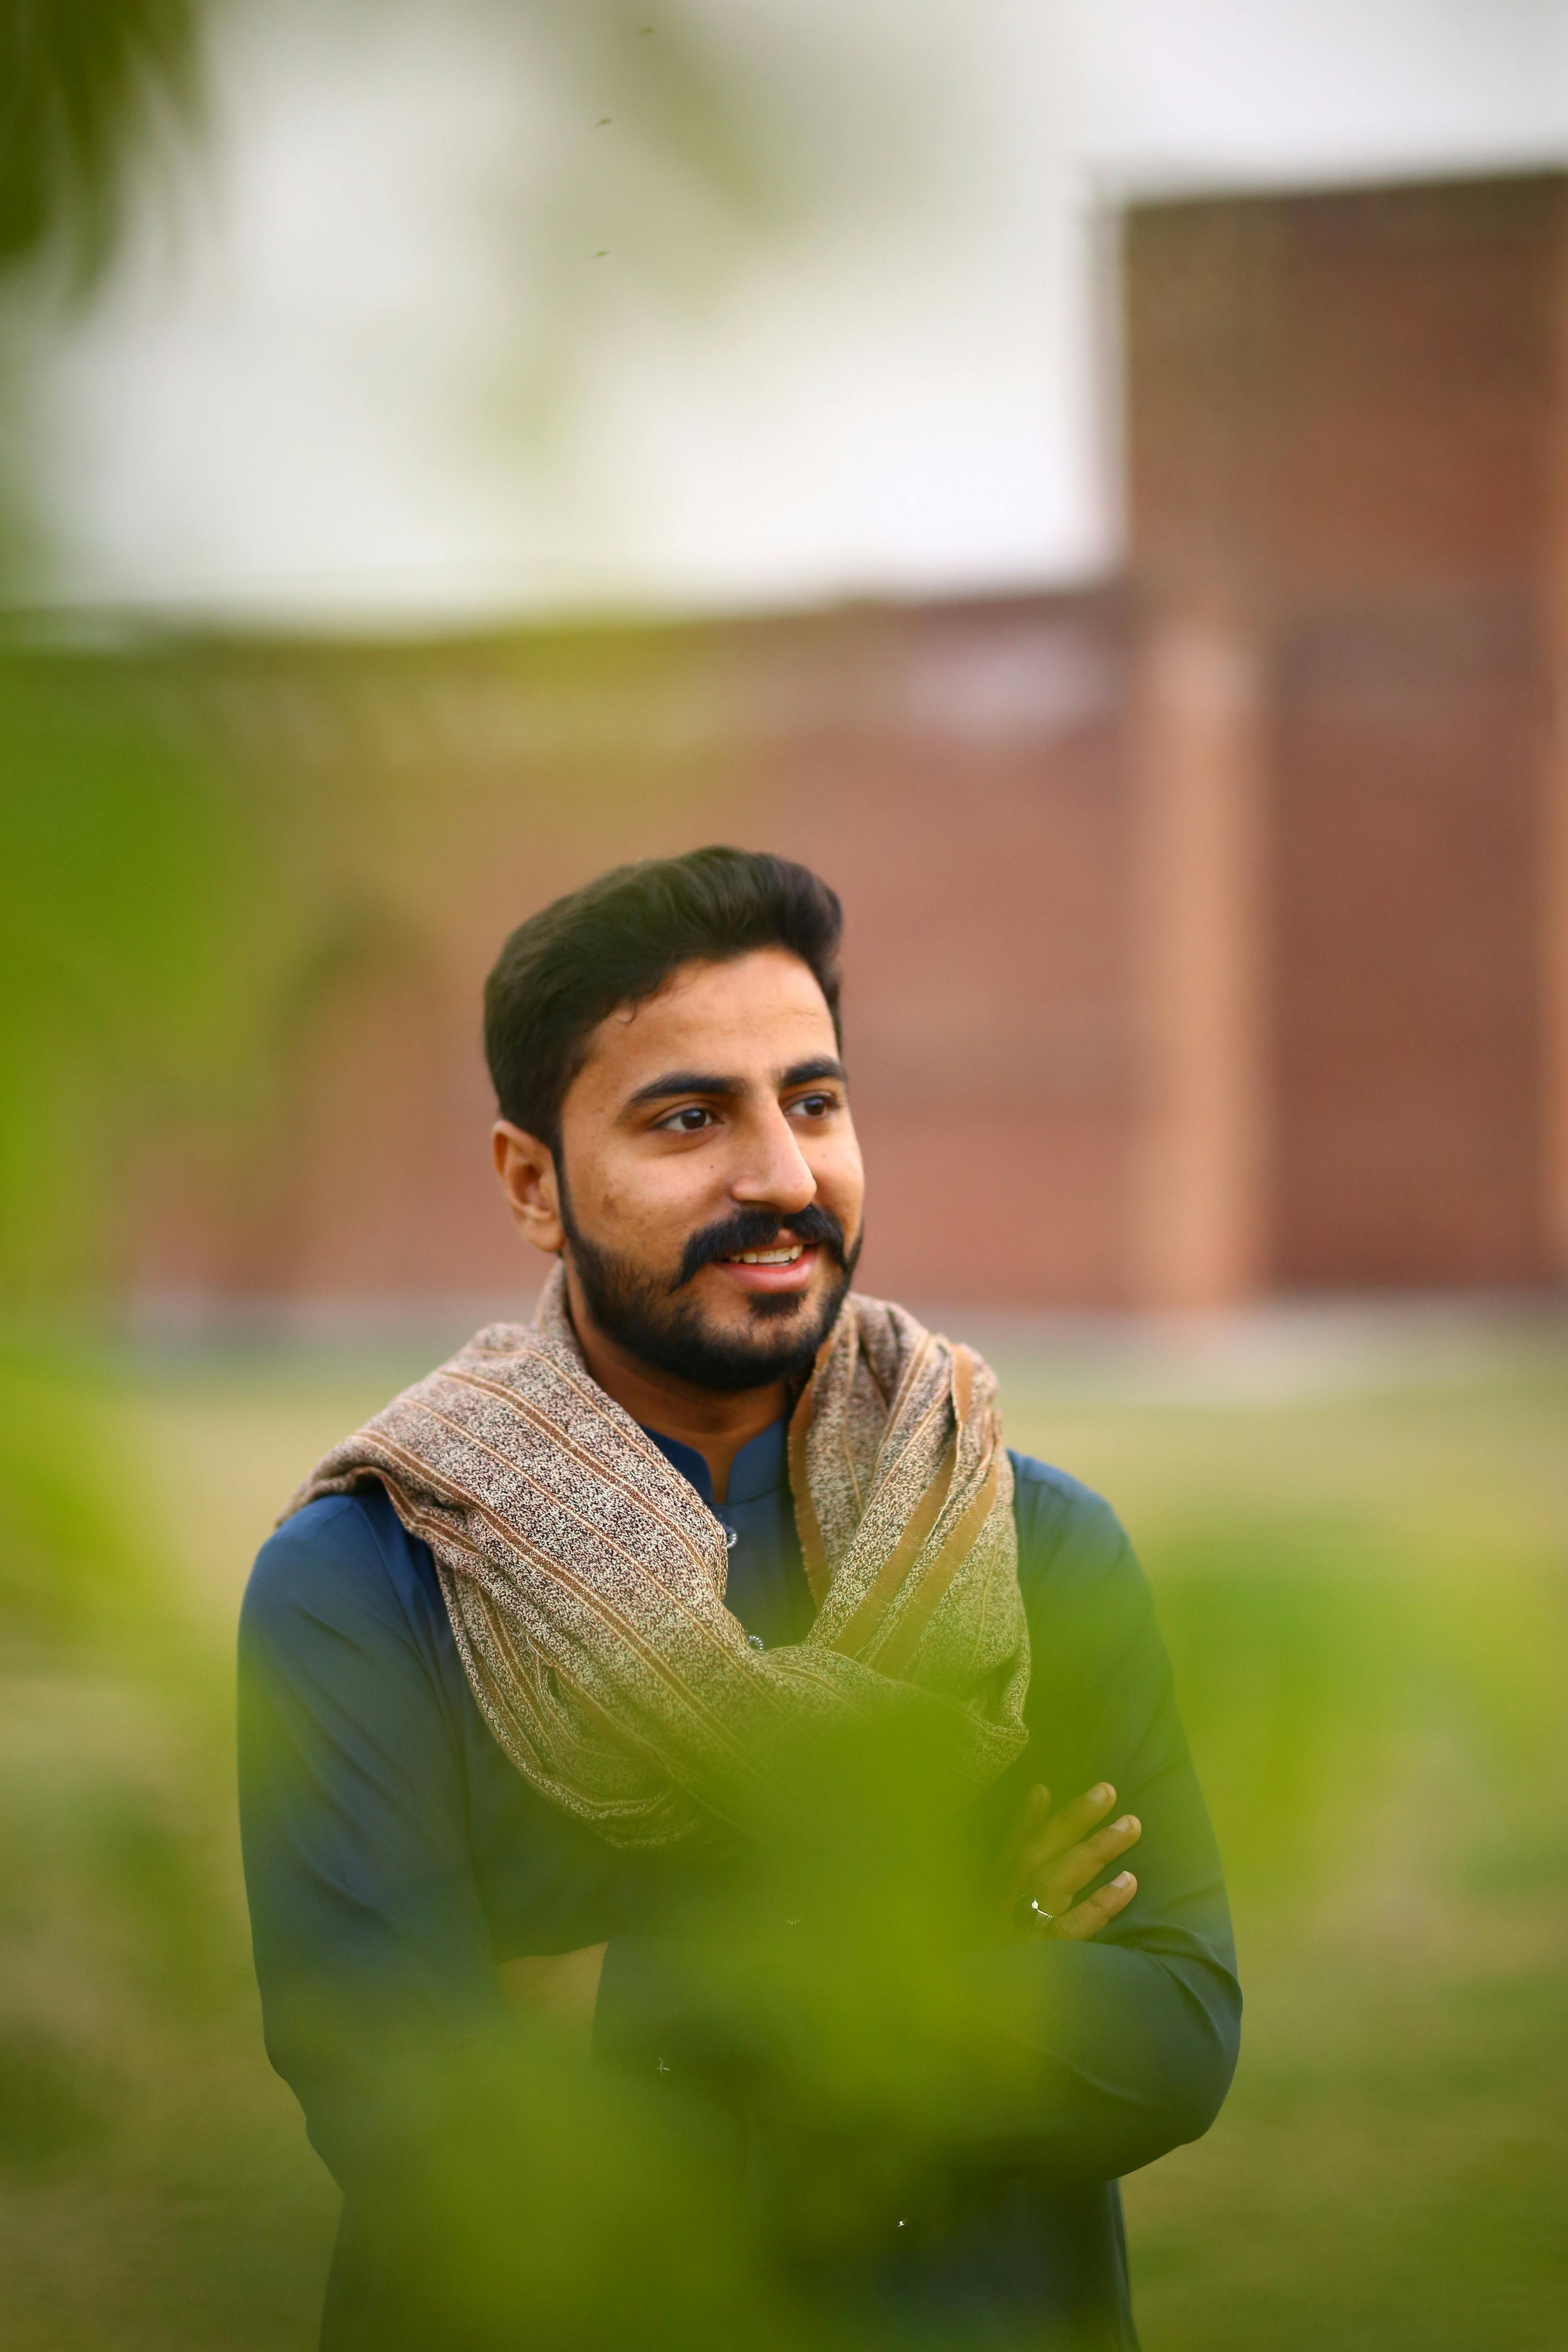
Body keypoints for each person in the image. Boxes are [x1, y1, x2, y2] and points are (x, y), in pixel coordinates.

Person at [238, 846, 1239, 2352]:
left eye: (814, 1102)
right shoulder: (370, 1586)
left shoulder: (1037, 1547)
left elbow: (1173, 2041)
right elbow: (430, 2144)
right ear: (533, 1184)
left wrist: (643, 2013)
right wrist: (983, 1988)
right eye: (690, 1117)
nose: (781, 1174)